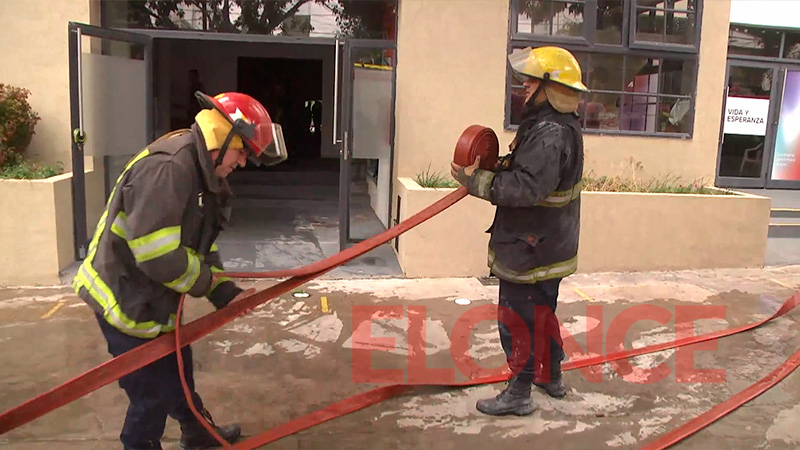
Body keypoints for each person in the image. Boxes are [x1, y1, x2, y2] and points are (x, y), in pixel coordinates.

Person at [73, 91, 288, 449]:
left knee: (178, 373)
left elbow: (202, 244)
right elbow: (156, 255)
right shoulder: (171, 168)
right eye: (242, 152)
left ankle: (199, 435)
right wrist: (206, 283)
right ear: (224, 135)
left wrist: (225, 293)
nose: (244, 162)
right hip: (125, 300)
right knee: (151, 396)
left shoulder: (203, 170)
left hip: (153, 297)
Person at [450, 46, 587, 416]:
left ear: (550, 87)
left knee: (518, 320)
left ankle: (519, 393)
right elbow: (530, 172)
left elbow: (527, 188)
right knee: (542, 315)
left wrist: (476, 181)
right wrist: (498, 165)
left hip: (531, 249)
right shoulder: (555, 126)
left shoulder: (550, 133)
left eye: (533, 79)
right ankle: (550, 376)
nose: (524, 84)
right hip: (549, 245)